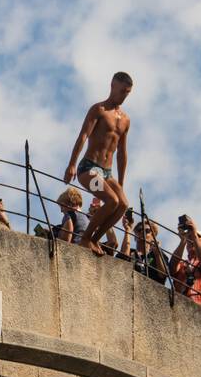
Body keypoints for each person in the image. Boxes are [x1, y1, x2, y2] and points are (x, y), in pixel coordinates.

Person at [63, 71, 132, 255]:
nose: (124, 96)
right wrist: (71, 164)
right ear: (112, 86)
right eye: (122, 91)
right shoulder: (99, 109)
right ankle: (86, 237)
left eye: (127, 93)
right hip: (89, 169)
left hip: (107, 173)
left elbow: (122, 153)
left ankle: (94, 239)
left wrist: (121, 183)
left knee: (122, 204)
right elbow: (83, 136)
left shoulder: (125, 120)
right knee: (111, 201)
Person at [168, 217, 201, 309]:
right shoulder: (182, 264)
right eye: (189, 237)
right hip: (180, 305)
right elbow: (172, 269)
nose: (192, 239)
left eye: (198, 237)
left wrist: (194, 234)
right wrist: (183, 241)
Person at [122, 215, 168, 284]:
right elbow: (122, 258)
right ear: (135, 236)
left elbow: (162, 275)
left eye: (147, 231)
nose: (142, 232)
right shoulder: (130, 252)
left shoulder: (158, 254)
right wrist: (128, 230)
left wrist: (157, 254)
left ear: (153, 237)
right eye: (139, 230)